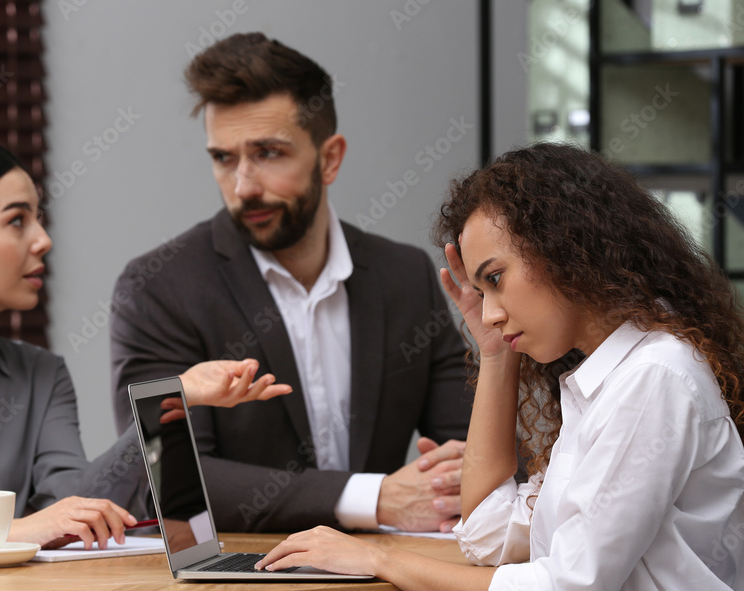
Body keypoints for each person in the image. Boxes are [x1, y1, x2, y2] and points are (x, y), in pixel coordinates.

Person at [257, 143, 744, 591]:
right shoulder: (607, 380)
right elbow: (488, 533)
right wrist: (495, 358)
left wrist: (377, 558)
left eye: (496, 279)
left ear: (568, 247)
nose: (489, 311)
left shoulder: (651, 379)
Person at [0, 139, 289, 558]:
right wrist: (3, 533)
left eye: (38, 218)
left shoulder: (42, 374)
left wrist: (172, 396)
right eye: (17, 220)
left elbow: (74, 510)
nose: (43, 240)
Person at [109, 32, 473, 534]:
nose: (243, 186)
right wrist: (374, 499)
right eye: (224, 158)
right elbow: (167, 476)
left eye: (268, 153)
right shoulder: (159, 288)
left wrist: (458, 477)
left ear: (329, 158)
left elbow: (473, 448)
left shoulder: (405, 276)